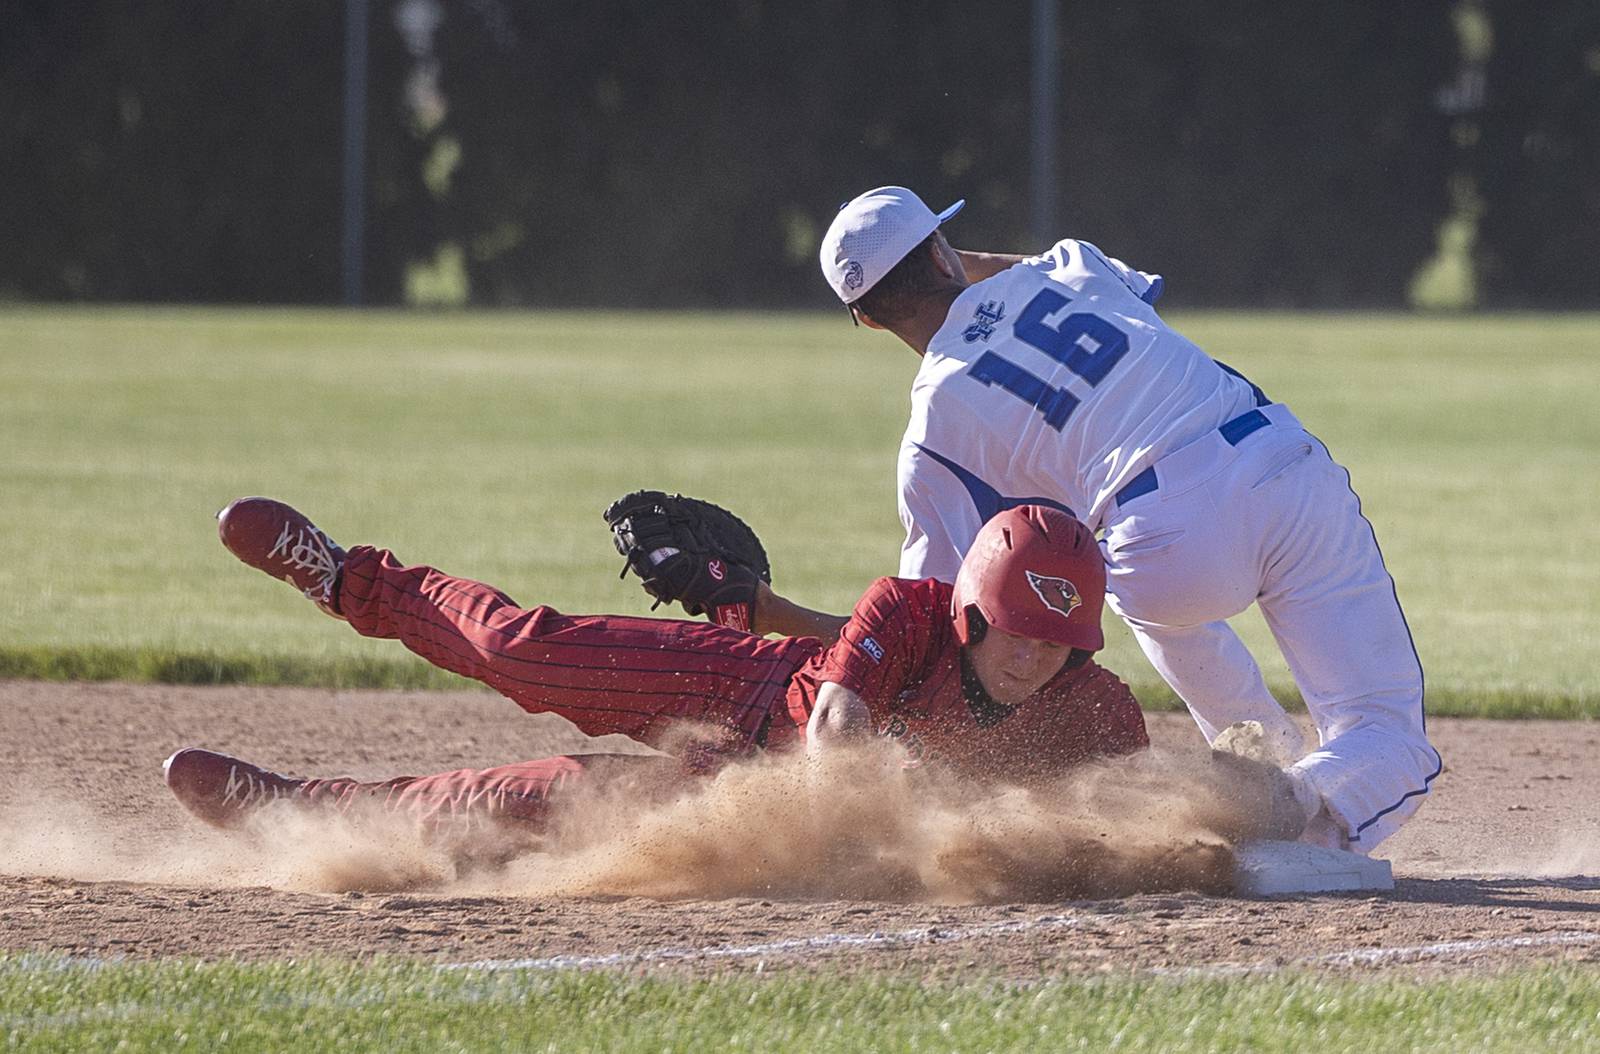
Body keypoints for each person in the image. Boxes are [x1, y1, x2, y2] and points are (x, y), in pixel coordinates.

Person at [817, 186, 1441, 852]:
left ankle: (1265, 785)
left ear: (871, 321)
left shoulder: (932, 433)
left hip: (1158, 546)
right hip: (1279, 468)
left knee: (1167, 616)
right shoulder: (1067, 265)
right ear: (947, 259)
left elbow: (936, 610)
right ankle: (1297, 803)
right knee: (1381, 727)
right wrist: (950, 262)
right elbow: (1062, 286)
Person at [164, 497, 1149, 836]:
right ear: (971, 608)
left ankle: (299, 808)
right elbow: (837, 728)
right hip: (747, 690)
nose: (1034, 653)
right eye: (1016, 627)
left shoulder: (1090, 705)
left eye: (1056, 639)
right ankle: (346, 580)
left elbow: (1145, 803)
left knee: (522, 805)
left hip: (741, 799)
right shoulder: (907, 608)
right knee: (526, 654)